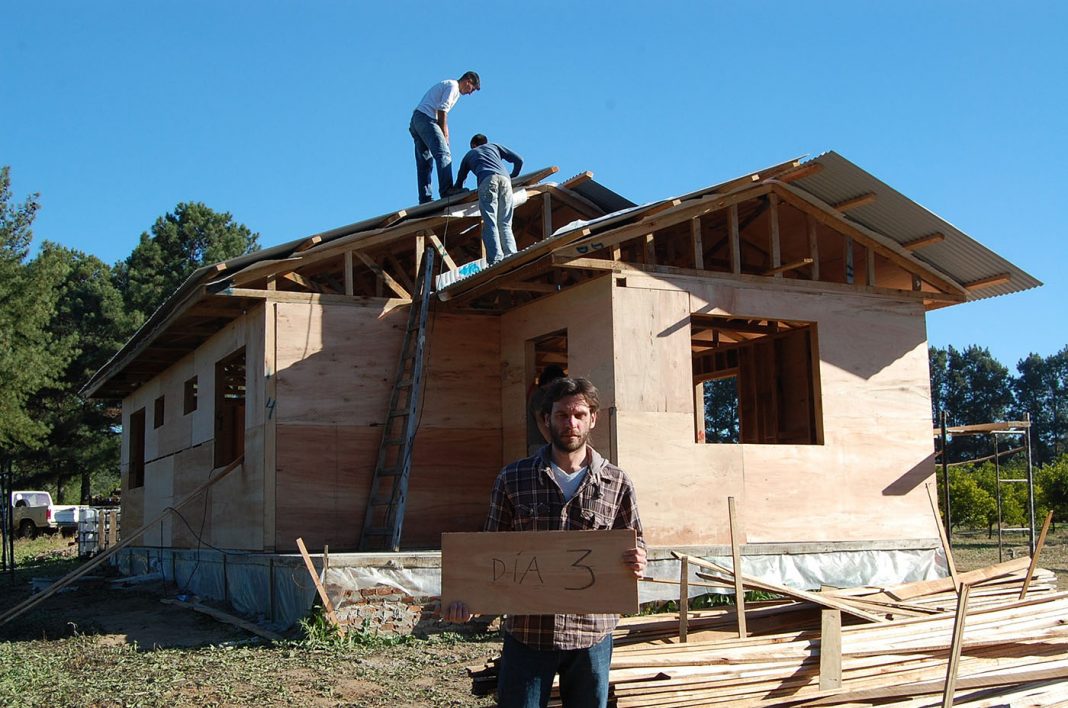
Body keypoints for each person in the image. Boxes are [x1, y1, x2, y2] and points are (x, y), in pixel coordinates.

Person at [445, 377, 647, 708]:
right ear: (545, 420)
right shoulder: (513, 479)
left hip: (591, 635)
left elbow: (638, 545)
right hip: (528, 634)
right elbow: (487, 553)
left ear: (593, 419)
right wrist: (467, 600)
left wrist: (639, 561)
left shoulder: (617, 483)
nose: (571, 423)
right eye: (562, 415)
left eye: (580, 415)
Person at [451, 134, 524, 264]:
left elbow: (460, 180)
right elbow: (519, 160)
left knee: (490, 222)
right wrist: (513, 176)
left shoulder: (470, 154)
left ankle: (496, 259)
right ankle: (511, 254)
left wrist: (455, 191)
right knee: (505, 222)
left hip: (487, 181)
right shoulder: (495, 146)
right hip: (506, 182)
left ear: (473, 144)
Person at [409, 71, 481, 204]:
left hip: (417, 120)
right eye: (472, 88)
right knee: (443, 153)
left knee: (424, 162)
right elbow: (442, 110)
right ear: (468, 80)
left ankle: (425, 198)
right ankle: (447, 189)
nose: (471, 93)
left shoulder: (449, 85)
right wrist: (445, 134)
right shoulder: (453, 86)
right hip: (426, 119)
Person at [526, 364, 566, 455]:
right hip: (540, 443)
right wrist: (552, 443)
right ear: (551, 380)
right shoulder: (540, 395)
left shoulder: (547, 396)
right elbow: (540, 420)